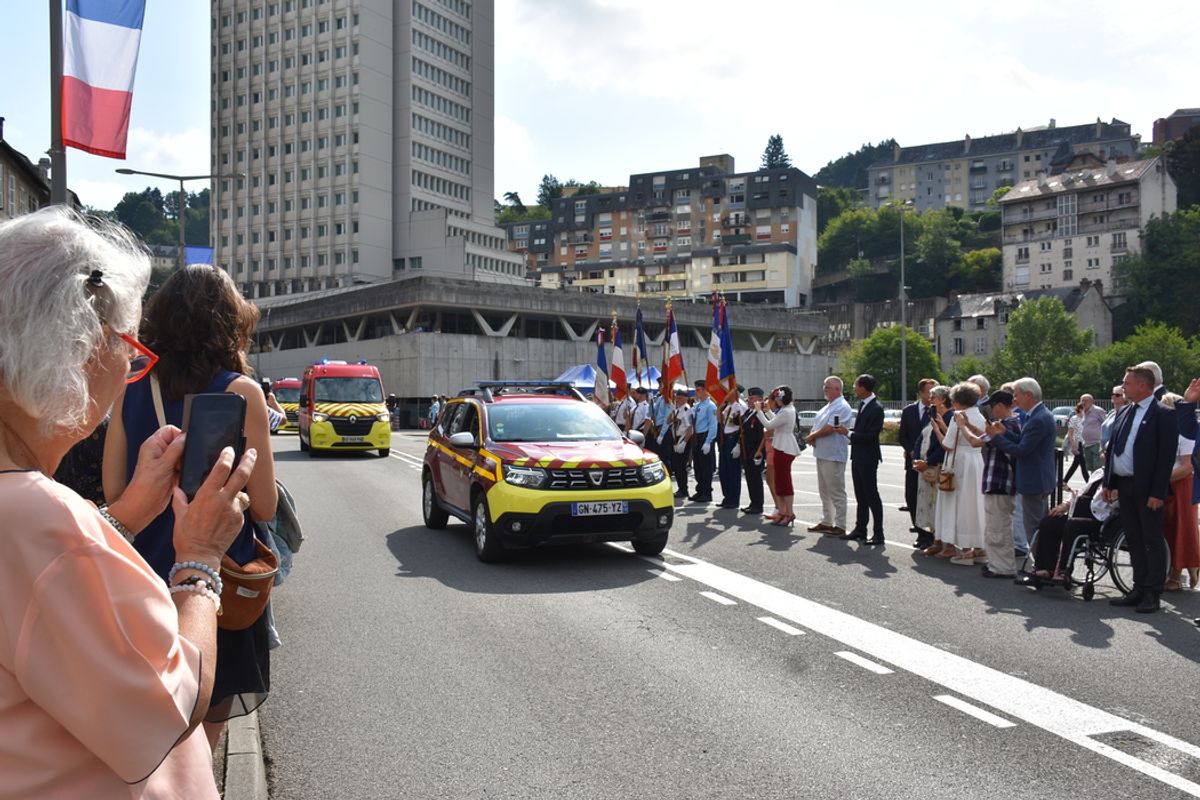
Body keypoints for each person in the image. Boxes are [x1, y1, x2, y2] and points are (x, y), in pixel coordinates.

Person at [0, 207, 255, 797]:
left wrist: (129, 513)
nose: (130, 369)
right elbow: (170, 705)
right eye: (131, 349)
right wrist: (200, 563)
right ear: (81, 348)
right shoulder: (40, 518)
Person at [104, 265, 278, 745]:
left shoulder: (130, 387)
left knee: (153, 727)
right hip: (210, 582)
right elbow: (262, 505)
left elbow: (117, 496)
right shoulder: (241, 392)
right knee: (203, 727)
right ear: (229, 323)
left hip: (143, 580)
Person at [1101, 365, 1177, 613]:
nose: (1123, 386)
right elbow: (1114, 450)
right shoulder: (1124, 412)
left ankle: (1152, 593)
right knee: (1132, 539)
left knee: (1151, 540)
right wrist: (1108, 483)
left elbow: (1165, 459)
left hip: (1147, 489)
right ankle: (1138, 588)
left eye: (1127, 382)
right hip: (1124, 485)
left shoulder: (1163, 414)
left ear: (1143, 385)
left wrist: (1157, 492)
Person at [986, 377, 1057, 567]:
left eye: (1016, 395)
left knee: (1033, 527)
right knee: (1040, 525)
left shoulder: (1038, 418)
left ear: (1028, 395)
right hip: (1040, 479)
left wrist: (996, 437)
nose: (1014, 400)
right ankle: (1046, 565)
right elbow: (1023, 441)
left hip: (1034, 481)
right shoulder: (1039, 415)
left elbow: (1021, 450)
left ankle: (1042, 567)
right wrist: (1005, 433)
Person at [958, 389, 1020, 576]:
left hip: (1000, 480)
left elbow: (976, 442)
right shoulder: (1010, 423)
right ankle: (997, 563)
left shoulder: (1007, 425)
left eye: (993, 407)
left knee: (998, 527)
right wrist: (969, 424)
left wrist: (962, 426)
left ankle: (1002, 567)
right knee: (996, 525)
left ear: (1001, 406)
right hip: (1000, 481)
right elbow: (985, 438)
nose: (992, 411)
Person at [929, 383, 986, 563]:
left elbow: (948, 444)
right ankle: (978, 547)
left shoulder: (957, 416)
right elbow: (962, 437)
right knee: (974, 503)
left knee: (957, 504)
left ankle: (961, 548)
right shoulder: (979, 415)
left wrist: (937, 429)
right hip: (976, 461)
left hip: (960, 462)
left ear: (959, 401)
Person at [1021, 470, 1111, 584]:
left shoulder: (1117, 479)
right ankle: (1044, 568)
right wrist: (1065, 505)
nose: (1102, 453)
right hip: (1079, 513)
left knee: (1072, 525)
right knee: (1049, 521)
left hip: (1100, 520)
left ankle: (1062, 570)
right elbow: (1080, 492)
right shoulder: (1099, 473)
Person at [1157, 393, 1199, 591]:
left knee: (1181, 529)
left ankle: (1177, 576)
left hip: (1182, 484)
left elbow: (1187, 466)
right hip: (1171, 482)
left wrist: (1160, 479)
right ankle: (1190, 567)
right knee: (1168, 529)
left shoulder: (1185, 432)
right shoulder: (1168, 430)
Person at [836, 374, 884, 545]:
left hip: (868, 457)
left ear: (863, 388)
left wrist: (848, 433)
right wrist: (849, 430)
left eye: (856, 385)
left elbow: (871, 436)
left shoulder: (876, 408)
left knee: (871, 495)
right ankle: (860, 529)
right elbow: (861, 430)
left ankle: (878, 533)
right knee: (860, 495)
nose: (854, 388)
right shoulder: (863, 404)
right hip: (858, 455)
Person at [806, 376, 853, 537]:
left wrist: (813, 436)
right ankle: (827, 520)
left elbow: (830, 428)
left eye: (828, 387)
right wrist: (812, 435)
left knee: (836, 490)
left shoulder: (842, 406)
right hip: (822, 452)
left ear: (837, 389)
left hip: (833, 454)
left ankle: (840, 524)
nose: (824, 389)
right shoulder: (829, 406)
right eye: (824, 387)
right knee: (824, 490)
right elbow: (818, 425)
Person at [755, 385, 799, 526]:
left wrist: (759, 412)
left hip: (784, 447)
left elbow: (769, 425)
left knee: (784, 481)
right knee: (779, 481)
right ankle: (782, 511)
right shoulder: (787, 410)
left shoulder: (787, 411)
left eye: (777, 398)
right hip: (781, 445)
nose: (775, 400)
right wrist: (767, 411)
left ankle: (789, 512)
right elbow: (776, 421)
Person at [912, 385, 949, 549]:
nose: (930, 399)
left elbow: (944, 445)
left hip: (937, 467)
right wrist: (916, 459)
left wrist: (928, 462)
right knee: (925, 503)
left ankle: (938, 539)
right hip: (925, 467)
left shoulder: (948, 417)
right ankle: (928, 537)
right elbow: (921, 437)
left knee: (936, 504)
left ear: (942, 399)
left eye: (933, 397)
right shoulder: (931, 415)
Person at [899, 379, 937, 532]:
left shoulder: (939, 411)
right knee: (911, 494)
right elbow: (902, 435)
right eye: (929, 391)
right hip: (913, 460)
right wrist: (910, 450)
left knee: (929, 497)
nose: (931, 395)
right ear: (921, 392)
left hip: (930, 462)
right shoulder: (909, 411)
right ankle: (918, 526)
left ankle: (929, 531)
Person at [717, 385, 747, 510]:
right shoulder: (728, 406)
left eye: (727, 391)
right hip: (724, 439)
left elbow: (743, 427)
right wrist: (720, 407)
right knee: (724, 471)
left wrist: (739, 444)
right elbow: (720, 421)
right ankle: (727, 497)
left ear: (735, 393)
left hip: (733, 439)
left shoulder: (740, 407)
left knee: (733, 472)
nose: (725, 393)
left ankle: (734, 499)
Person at [689, 381, 719, 503]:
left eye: (698, 389)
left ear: (705, 391)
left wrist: (708, 441)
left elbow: (713, 425)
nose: (696, 392)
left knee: (706, 467)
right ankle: (700, 489)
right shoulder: (697, 406)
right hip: (696, 437)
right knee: (698, 466)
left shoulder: (710, 406)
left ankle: (706, 492)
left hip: (705, 437)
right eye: (696, 389)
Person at [739, 387, 767, 515]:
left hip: (756, 450)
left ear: (760, 399)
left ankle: (758, 504)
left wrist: (760, 451)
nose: (749, 400)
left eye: (752, 398)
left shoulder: (761, 414)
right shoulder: (749, 412)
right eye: (749, 398)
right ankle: (753, 502)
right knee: (750, 477)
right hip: (747, 449)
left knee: (755, 478)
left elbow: (763, 435)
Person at [668, 386, 693, 498]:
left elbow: (690, 428)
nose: (676, 400)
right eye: (676, 398)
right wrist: (673, 410)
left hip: (683, 439)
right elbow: (668, 421)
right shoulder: (677, 409)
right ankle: (680, 488)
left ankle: (684, 489)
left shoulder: (687, 410)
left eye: (678, 398)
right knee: (676, 466)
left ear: (684, 399)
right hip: (675, 439)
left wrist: (684, 442)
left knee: (681, 466)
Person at [1078, 393, 1107, 473]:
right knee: (1091, 468)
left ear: (1092, 402)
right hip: (1086, 444)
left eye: (1086, 401)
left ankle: (1097, 485)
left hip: (1096, 443)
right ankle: (1094, 485)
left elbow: (1106, 424)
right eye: (1082, 401)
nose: (1083, 403)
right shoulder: (1083, 412)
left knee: (1097, 468)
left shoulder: (1098, 411)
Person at [1062, 403, 1089, 485]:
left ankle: (1064, 481)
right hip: (1077, 443)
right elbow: (1070, 433)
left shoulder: (1085, 419)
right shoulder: (1074, 418)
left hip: (1084, 444)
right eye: (1084, 409)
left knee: (1076, 464)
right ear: (1080, 409)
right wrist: (1073, 444)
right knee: (1083, 465)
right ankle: (1089, 484)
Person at [1101, 385, 1126, 450]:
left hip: (1114, 450)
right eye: (1113, 394)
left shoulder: (1126, 413)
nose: (1113, 396)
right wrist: (1101, 449)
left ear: (1124, 396)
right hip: (1105, 450)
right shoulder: (1111, 413)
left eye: (1117, 395)